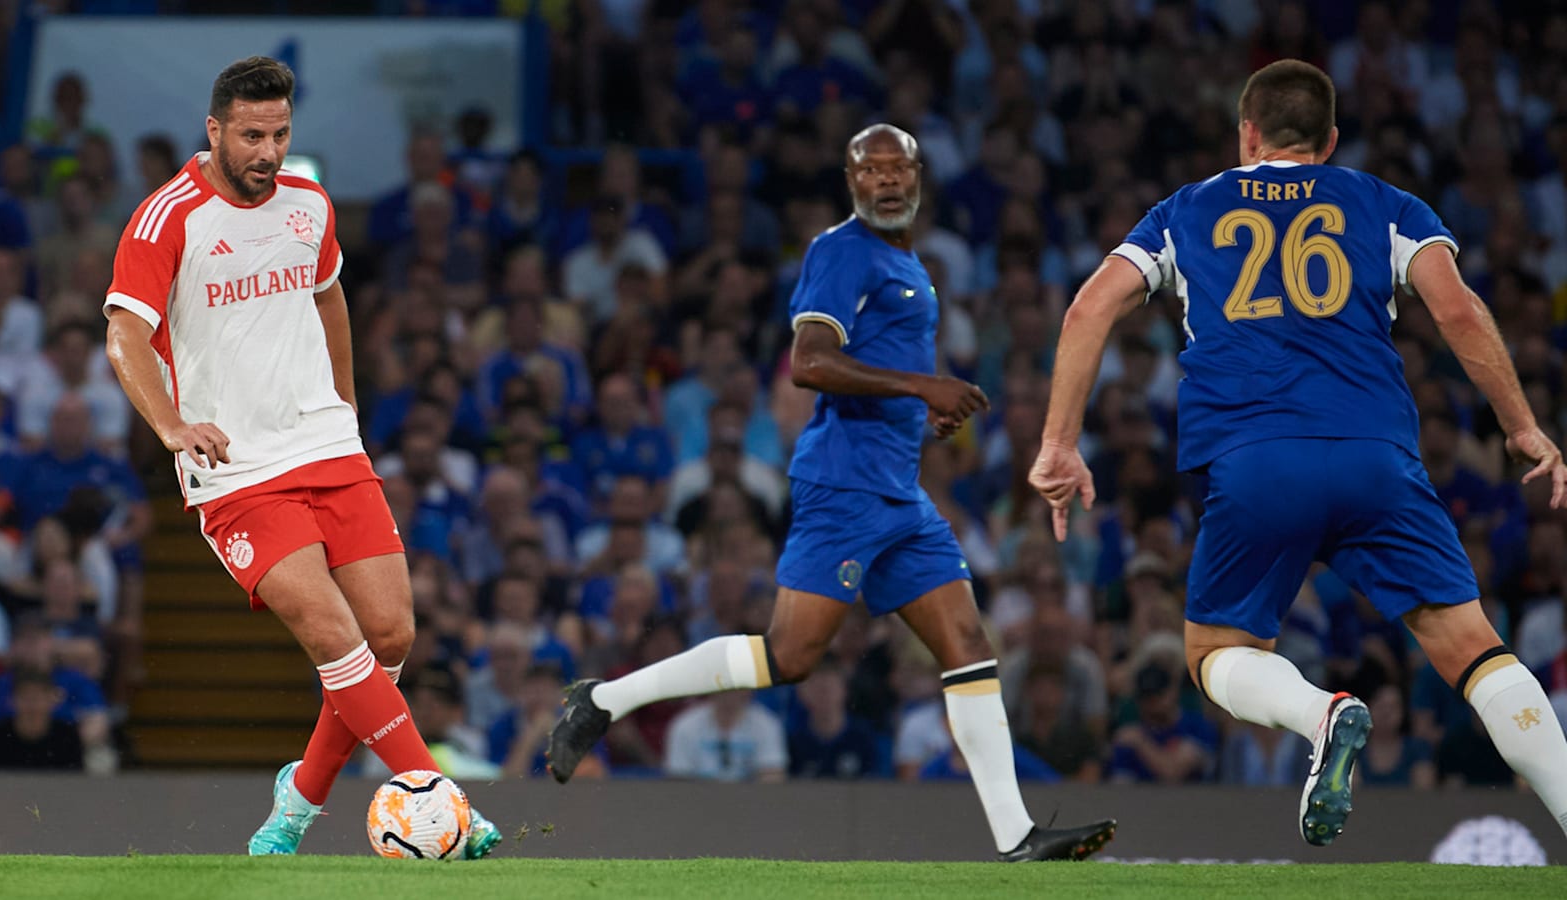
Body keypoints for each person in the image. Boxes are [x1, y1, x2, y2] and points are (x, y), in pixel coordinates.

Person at [1031, 59, 1567, 847]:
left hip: (1257, 461)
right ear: (1332, 139)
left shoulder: (1187, 210)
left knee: (1215, 651)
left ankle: (1321, 715)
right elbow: (1456, 307)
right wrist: (1522, 425)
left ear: (1247, 133)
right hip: (1375, 457)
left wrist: (1059, 444)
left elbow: (1086, 310)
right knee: (1472, 647)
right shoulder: (1384, 203)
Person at [548, 124, 1116, 862]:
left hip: (897, 491)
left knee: (969, 644)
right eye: (869, 170)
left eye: (897, 168)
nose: (885, 181)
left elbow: (878, 364)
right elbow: (810, 362)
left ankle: (1016, 836)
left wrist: (920, 412)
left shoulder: (906, 259)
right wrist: (922, 384)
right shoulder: (840, 251)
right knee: (790, 656)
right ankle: (601, 701)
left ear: (918, 177)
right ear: (851, 182)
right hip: (843, 485)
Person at [102, 57, 499, 858]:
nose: (267, 152)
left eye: (280, 134)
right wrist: (174, 427)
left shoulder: (309, 206)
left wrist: (344, 408)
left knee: (388, 636)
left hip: (325, 445)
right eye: (251, 135)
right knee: (332, 632)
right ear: (214, 131)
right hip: (238, 471)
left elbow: (329, 296)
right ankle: (441, 798)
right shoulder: (165, 218)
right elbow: (124, 337)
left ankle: (297, 801)